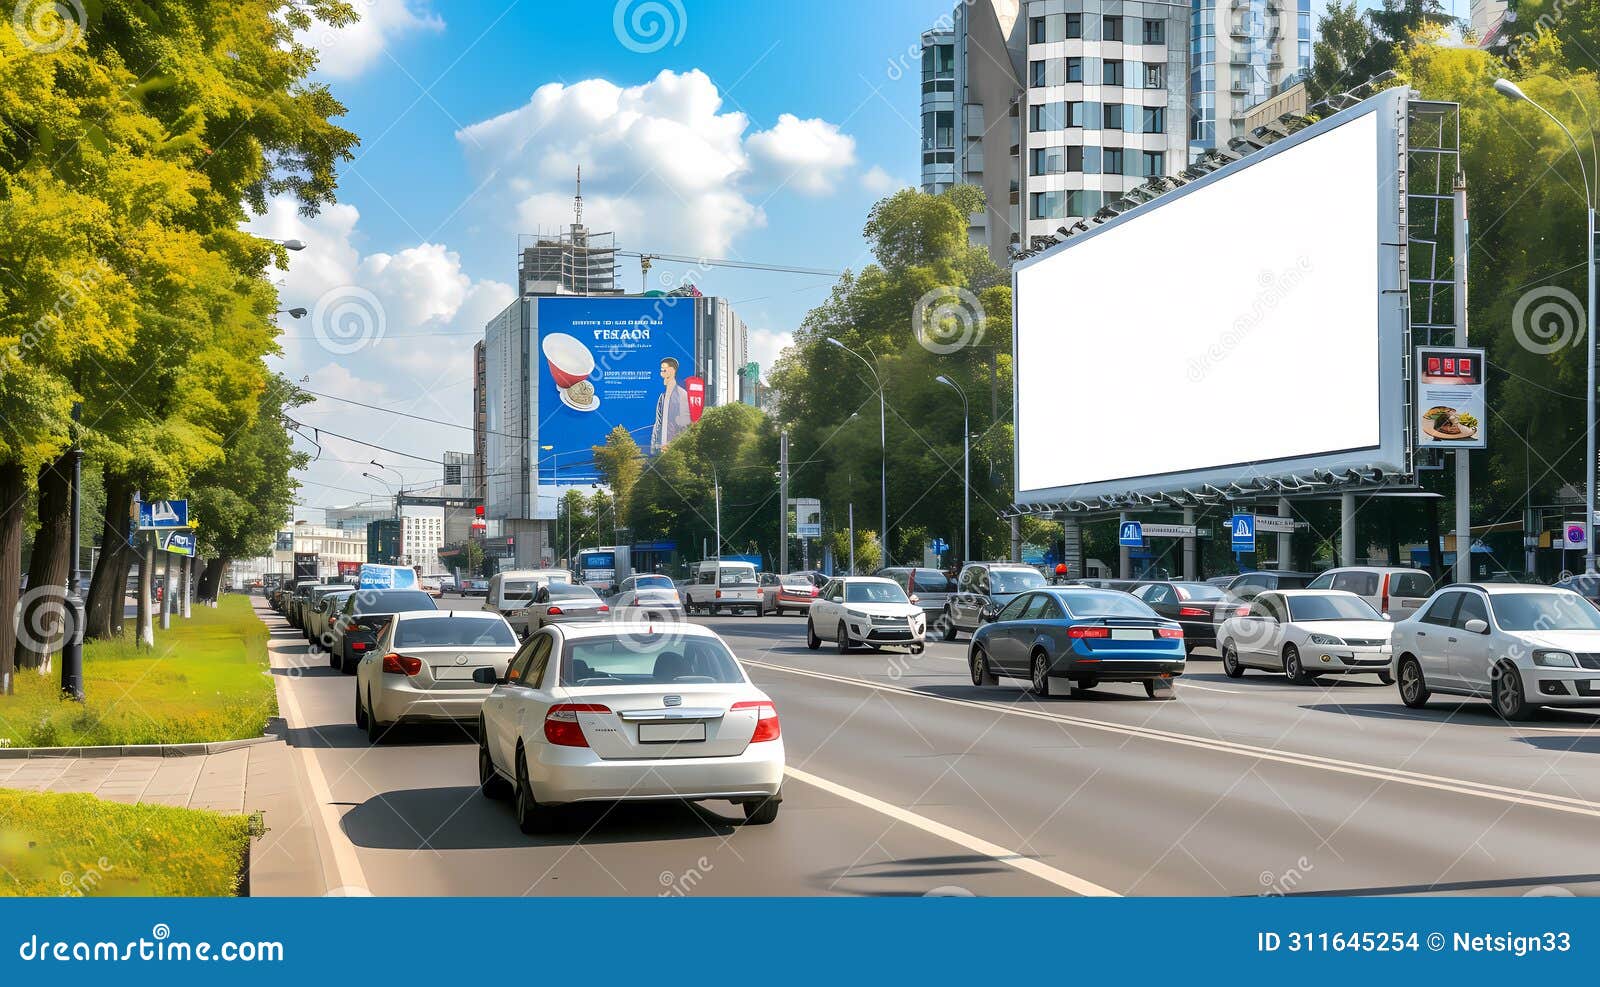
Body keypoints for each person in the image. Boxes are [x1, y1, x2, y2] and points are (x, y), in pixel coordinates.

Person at [650, 356, 691, 454]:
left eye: (663, 370)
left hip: (675, 448)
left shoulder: (682, 395)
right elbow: (658, 423)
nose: (661, 374)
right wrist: (653, 446)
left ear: (672, 371)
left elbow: (685, 424)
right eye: (661, 370)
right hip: (661, 449)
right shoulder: (663, 397)